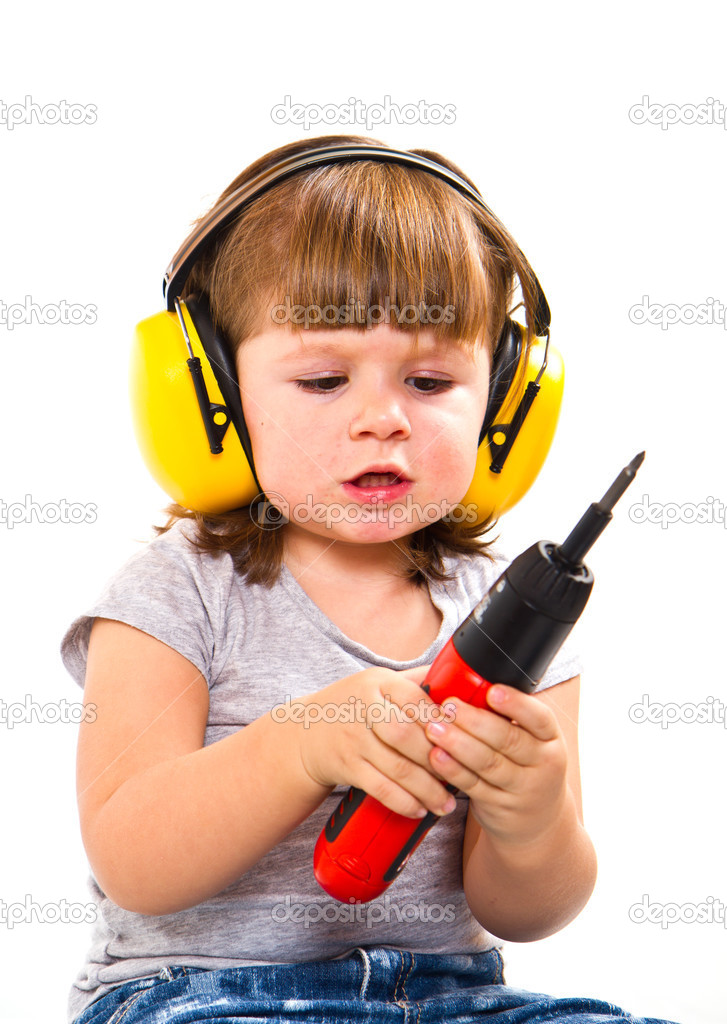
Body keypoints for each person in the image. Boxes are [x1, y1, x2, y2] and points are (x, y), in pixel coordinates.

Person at [61, 135, 680, 1024]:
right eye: (322, 379)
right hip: (201, 994)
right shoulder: (173, 594)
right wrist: (297, 746)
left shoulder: (513, 614)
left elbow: (525, 911)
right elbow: (132, 860)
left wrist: (532, 811)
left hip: (449, 998)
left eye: (430, 379)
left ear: (504, 403)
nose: (381, 418)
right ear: (215, 399)